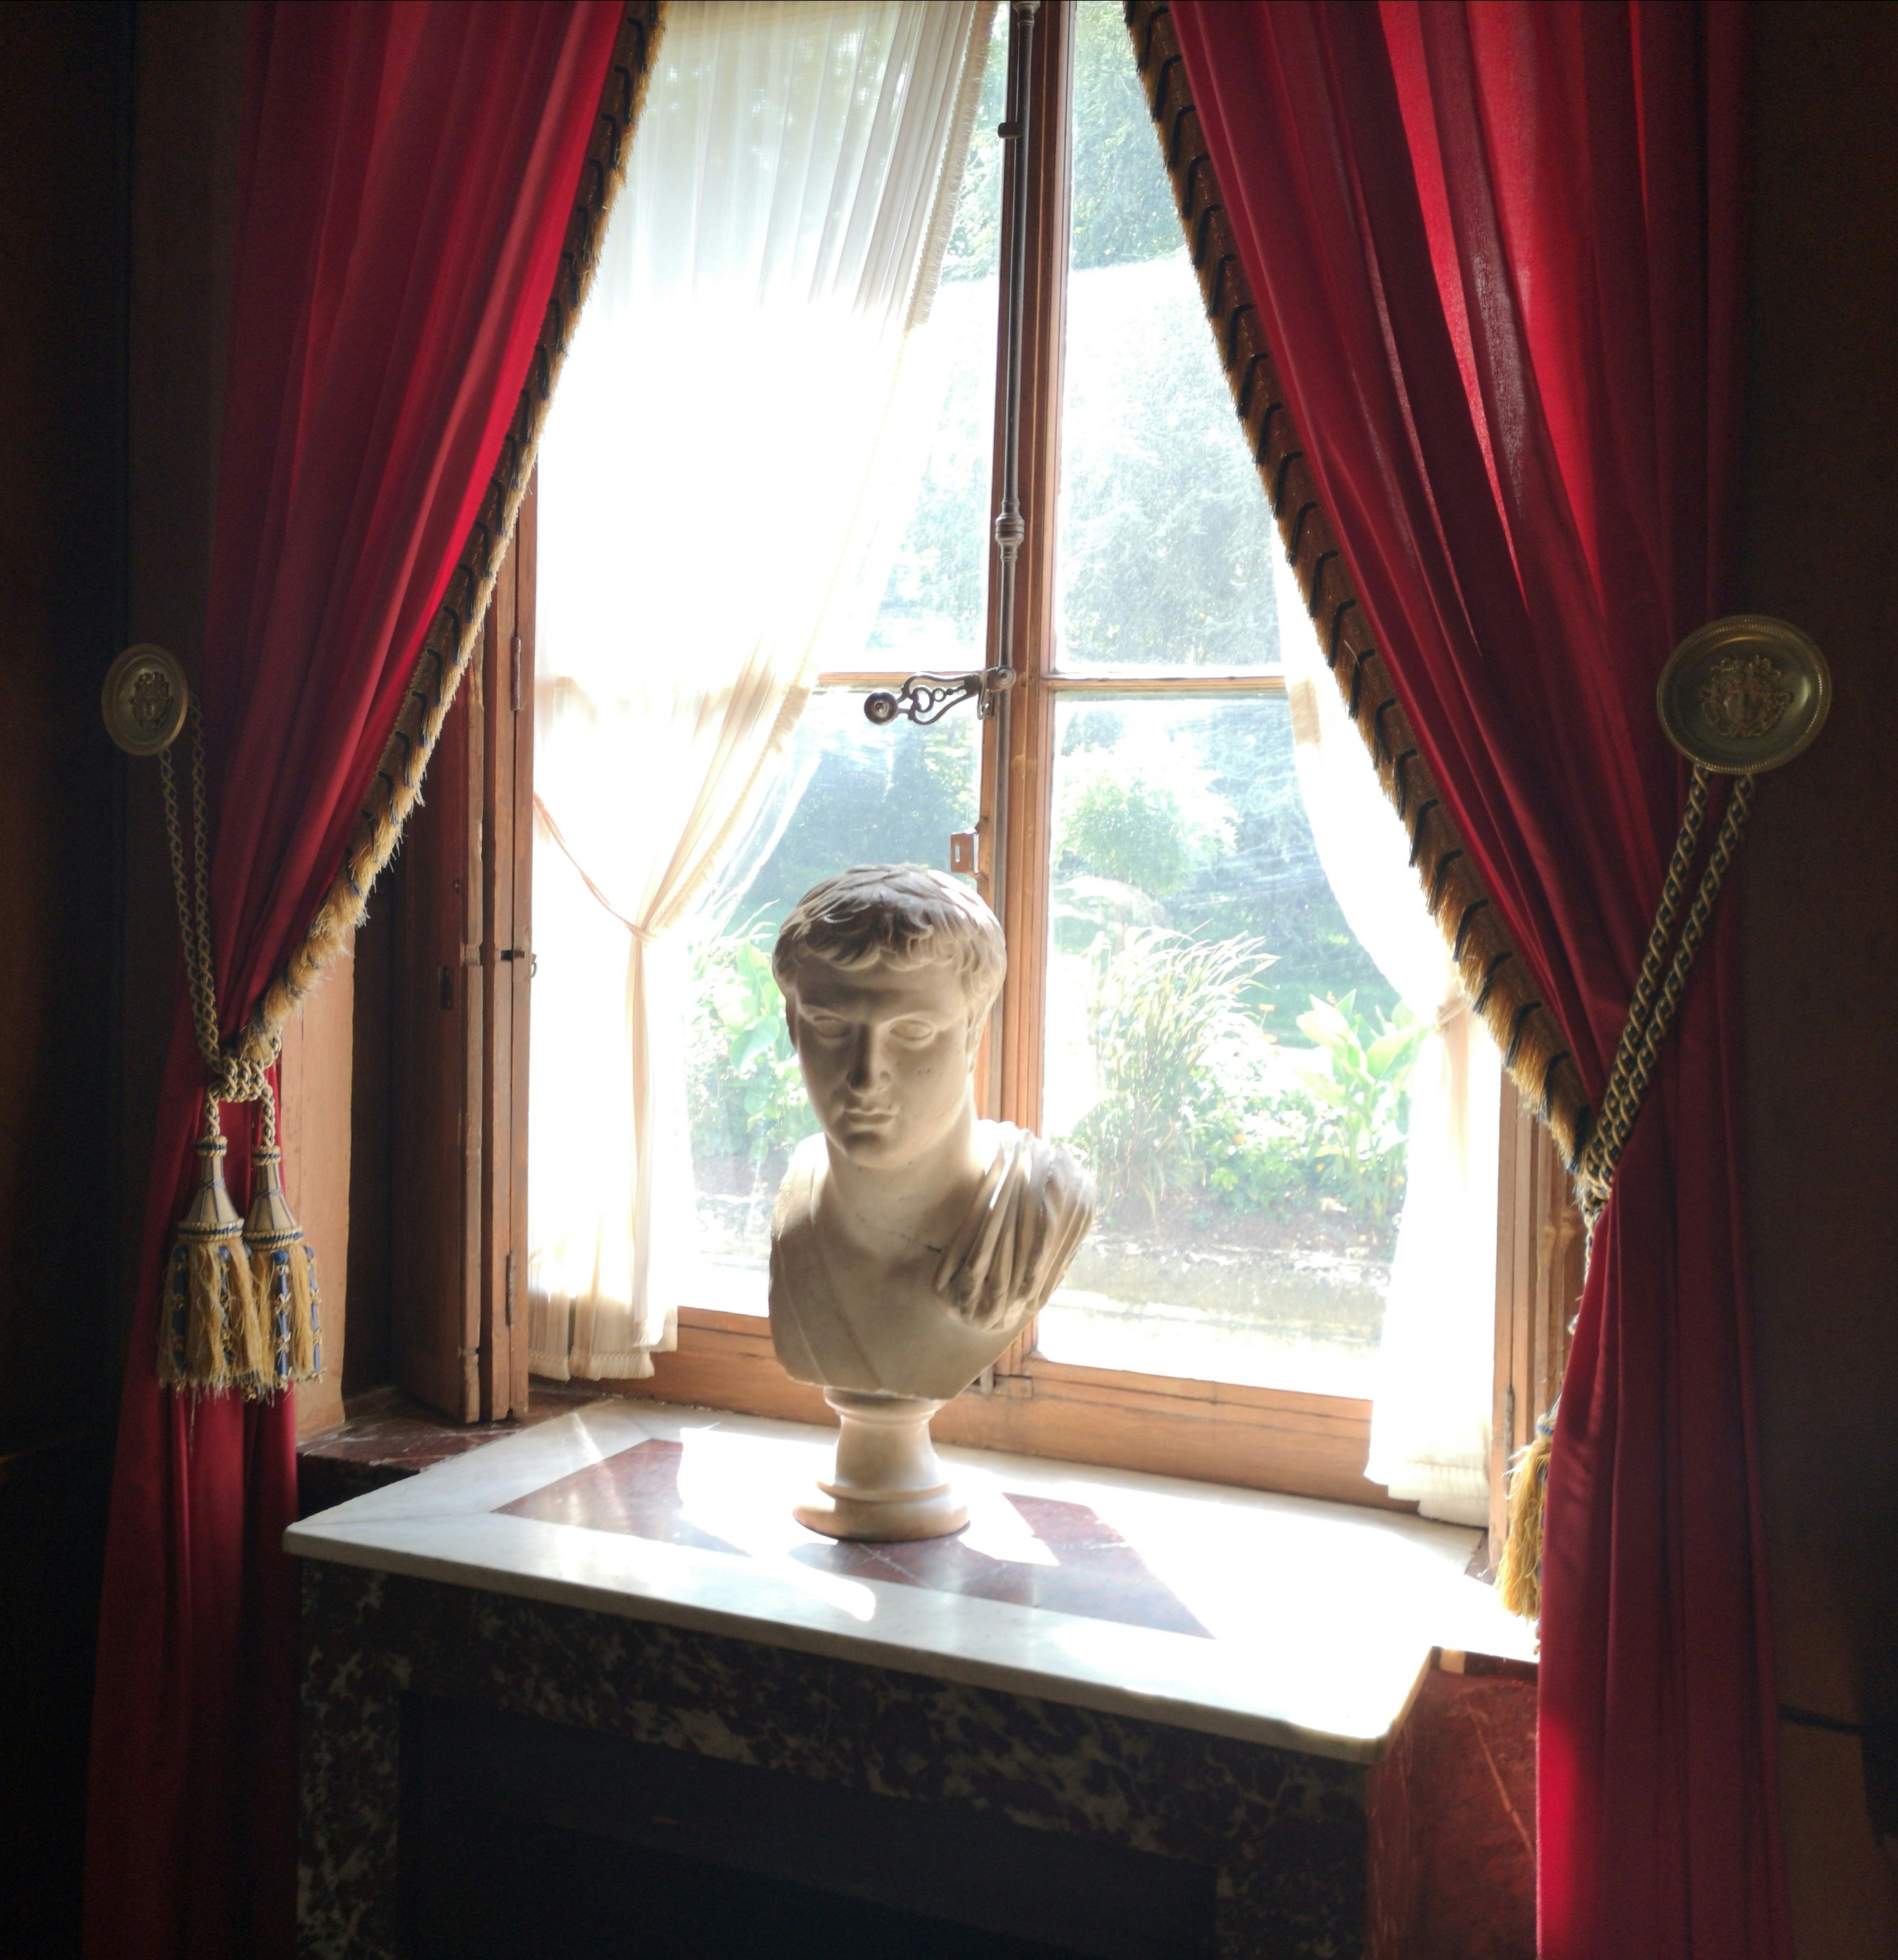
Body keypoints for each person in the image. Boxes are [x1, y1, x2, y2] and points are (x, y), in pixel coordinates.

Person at [768, 865, 1094, 1401]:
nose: (864, 1076)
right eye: (830, 1026)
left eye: (912, 1032)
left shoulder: (1038, 1207)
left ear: (972, 1032)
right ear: (791, 1024)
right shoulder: (799, 1191)